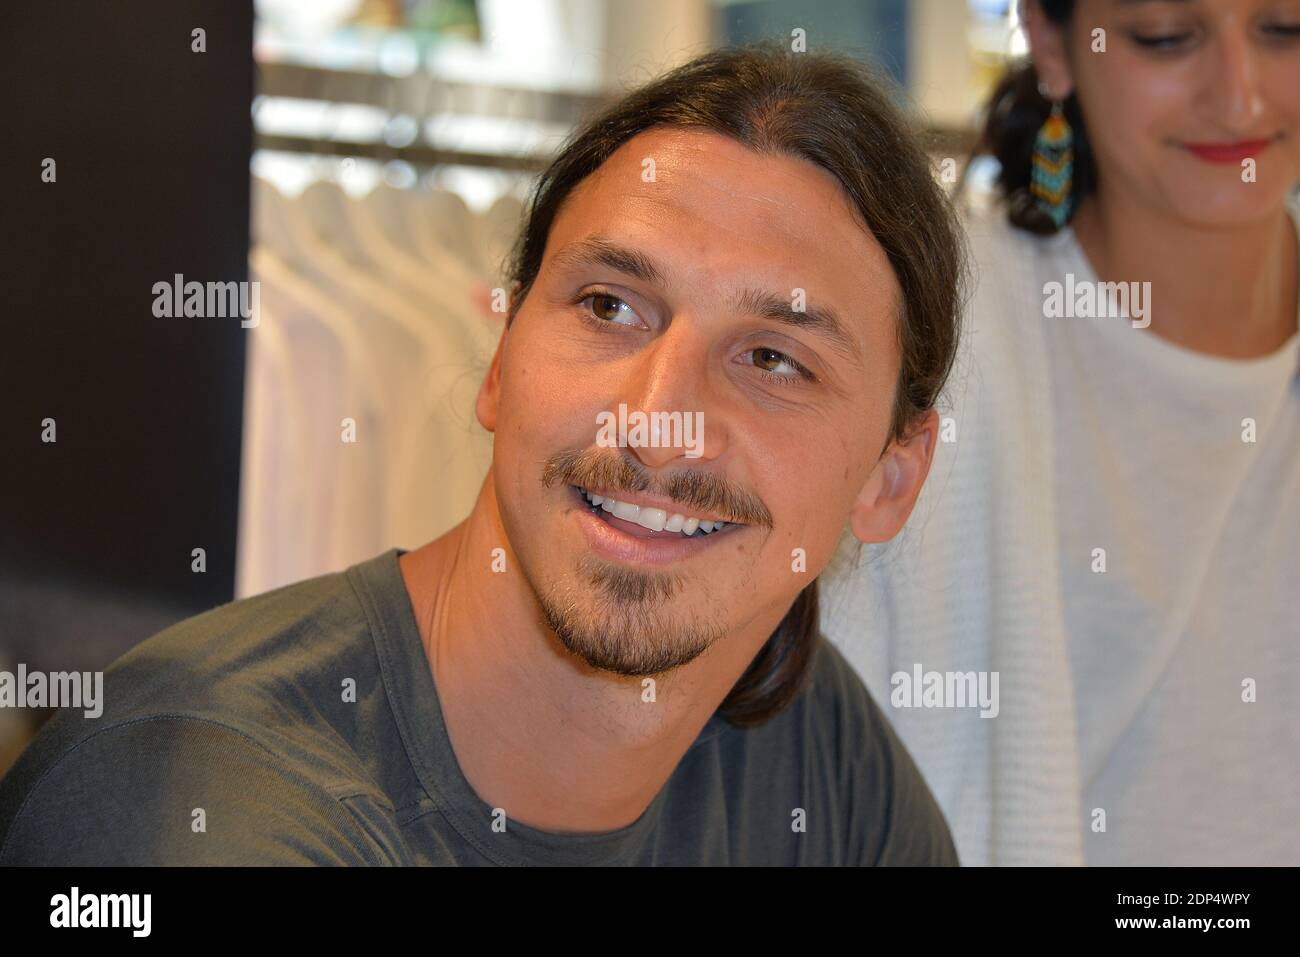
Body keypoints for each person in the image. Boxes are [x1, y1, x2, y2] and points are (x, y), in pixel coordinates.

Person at [0, 42, 965, 866]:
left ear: (893, 475)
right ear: (501, 359)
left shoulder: (811, 760)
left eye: (772, 358)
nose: (656, 417)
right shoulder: (191, 801)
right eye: (609, 307)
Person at [820, 0, 1300, 865]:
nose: (1240, 98)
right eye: (1166, 36)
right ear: (1051, 42)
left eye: (1287, 30)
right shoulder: (932, 338)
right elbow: (821, 763)